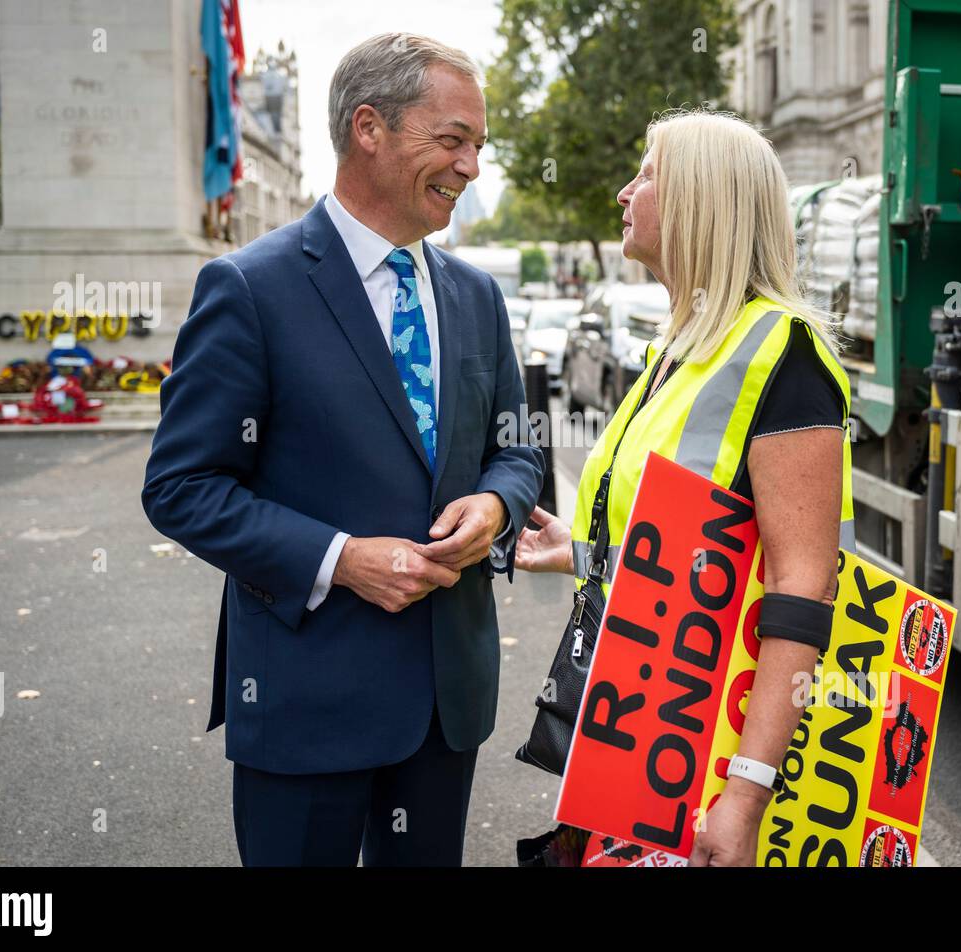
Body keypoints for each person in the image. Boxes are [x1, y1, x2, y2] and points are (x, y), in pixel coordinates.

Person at [142, 33, 543, 867]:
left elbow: (517, 446)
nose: (471, 166)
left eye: (479, 145)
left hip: (445, 702)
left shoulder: (476, 295)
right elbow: (181, 485)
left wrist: (499, 502)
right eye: (453, 139)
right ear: (370, 128)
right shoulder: (250, 288)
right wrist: (341, 558)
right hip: (304, 701)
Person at [516, 109, 854, 867]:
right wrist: (582, 554)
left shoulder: (782, 352)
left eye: (646, 174)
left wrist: (745, 796)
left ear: (701, 201)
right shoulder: (682, 346)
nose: (623, 192)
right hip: (634, 730)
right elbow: (692, 540)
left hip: (699, 751)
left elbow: (803, 584)